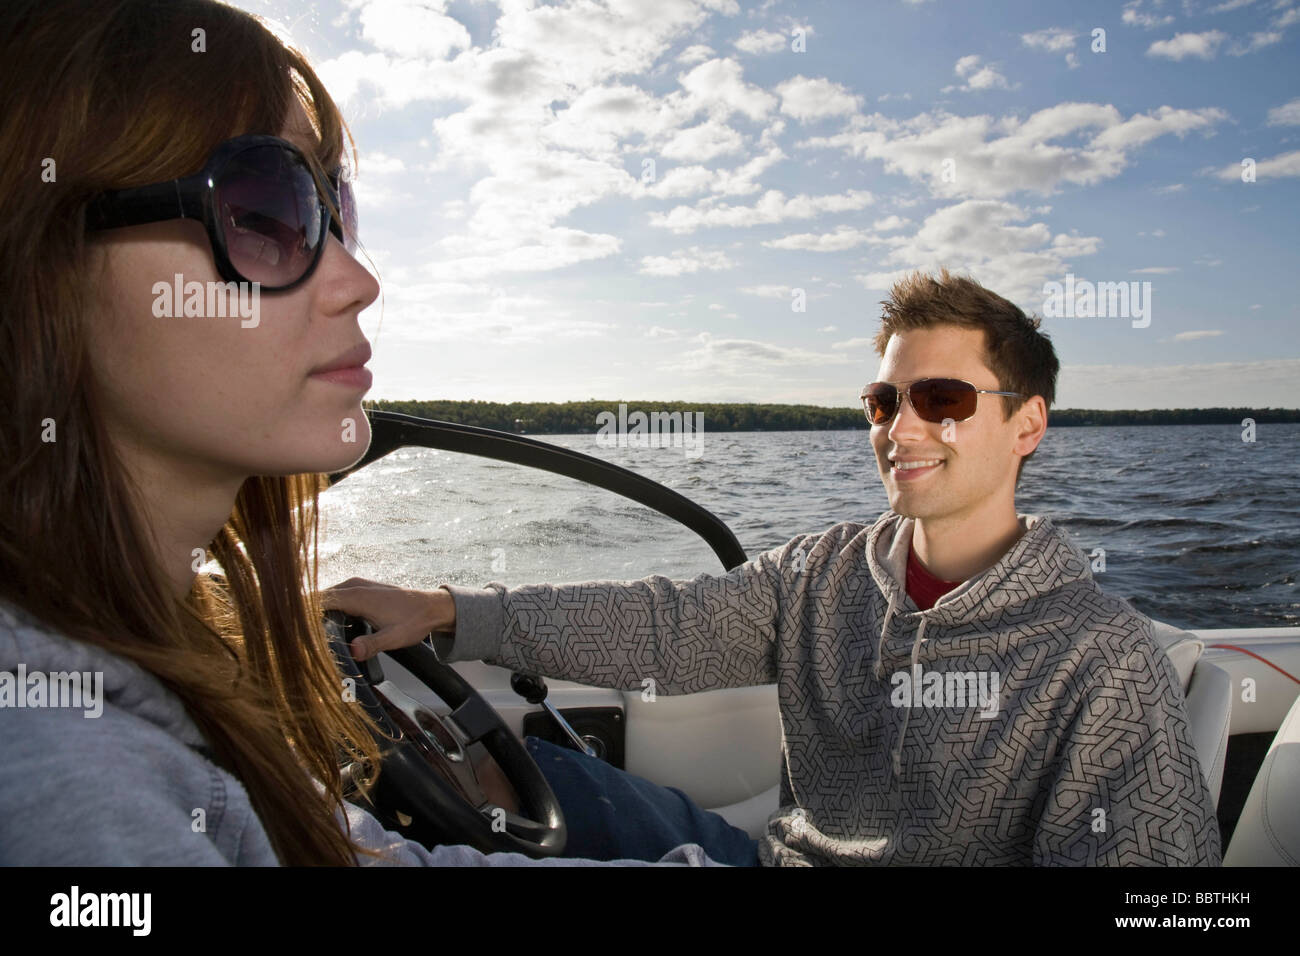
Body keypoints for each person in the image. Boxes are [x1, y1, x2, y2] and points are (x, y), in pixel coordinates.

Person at [0, 0, 720, 868]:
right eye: (264, 210)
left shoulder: (145, 653)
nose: (359, 279)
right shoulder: (69, 778)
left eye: (333, 203)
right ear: (40, 265)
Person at [328, 269, 1223, 866]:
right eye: (884, 399)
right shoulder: (826, 572)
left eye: (941, 400)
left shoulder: (1100, 664)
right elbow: (667, 626)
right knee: (475, 782)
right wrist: (447, 609)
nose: (898, 429)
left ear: (1027, 425)